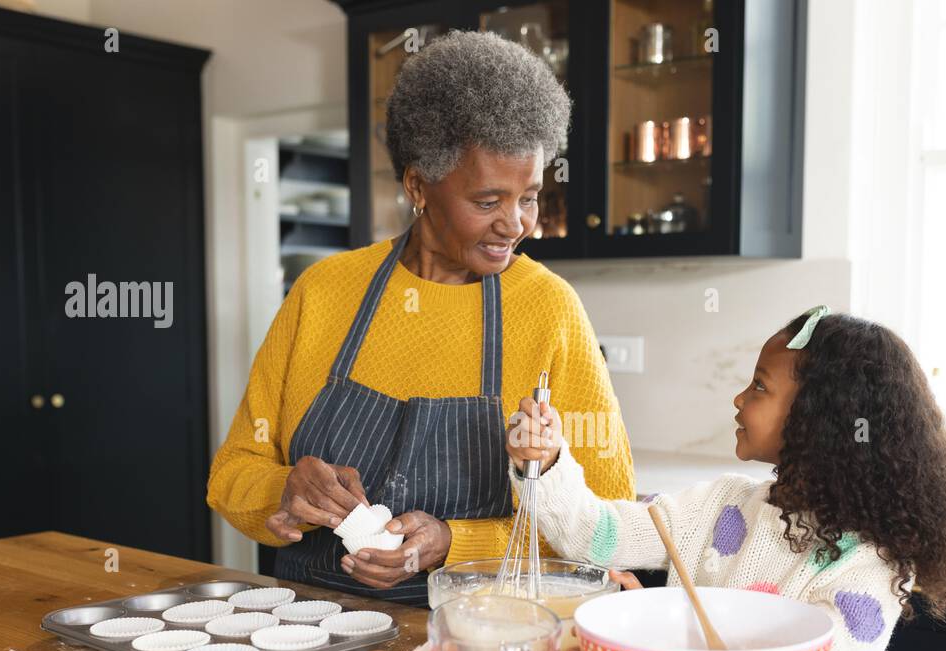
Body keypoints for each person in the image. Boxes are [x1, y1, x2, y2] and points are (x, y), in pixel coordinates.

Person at [208, 30, 634, 605]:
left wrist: (453, 542)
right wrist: (282, 491)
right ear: (418, 186)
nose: (516, 224)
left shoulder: (547, 308)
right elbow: (232, 471)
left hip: (478, 643)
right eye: (487, 202)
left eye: (528, 196)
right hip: (311, 631)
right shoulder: (325, 292)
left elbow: (608, 526)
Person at [506, 307, 946, 651]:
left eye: (759, 386)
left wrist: (650, 618)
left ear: (819, 418)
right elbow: (595, 535)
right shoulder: (722, 507)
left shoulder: (869, 565)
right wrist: (547, 462)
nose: (739, 398)